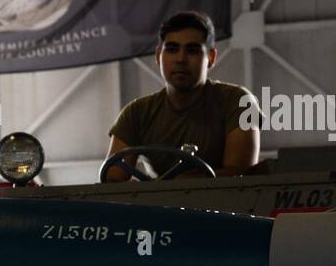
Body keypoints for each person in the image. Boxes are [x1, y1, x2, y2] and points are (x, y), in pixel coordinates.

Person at [103, 11, 261, 181]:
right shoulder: (136, 114)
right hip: (158, 206)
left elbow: (241, 176)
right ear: (158, 56)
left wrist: (172, 186)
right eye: (172, 49)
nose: (181, 59)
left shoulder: (239, 103)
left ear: (211, 57)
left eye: (192, 50)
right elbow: (112, 180)